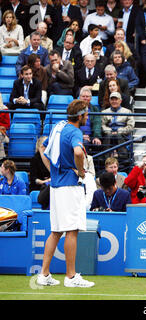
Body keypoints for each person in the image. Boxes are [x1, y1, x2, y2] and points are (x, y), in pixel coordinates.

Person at [37, 99, 95, 288]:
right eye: (86, 115)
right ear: (80, 116)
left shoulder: (58, 127)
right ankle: (70, 277)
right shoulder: (75, 131)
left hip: (56, 187)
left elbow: (43, 148)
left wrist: (53, 173)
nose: (87, 118)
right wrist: (80, 171)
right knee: (72, 231)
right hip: (70, 187)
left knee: (55, 231)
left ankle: (44, 275)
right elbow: (78, 152)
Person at [101, 91, 135, 158]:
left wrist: (118, 131)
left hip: (123, 135)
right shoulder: (104, 112)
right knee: (109, 136)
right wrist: (110, 131)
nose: (114, 101)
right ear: (109, 101)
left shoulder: (127, 112)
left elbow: (131, 126)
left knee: (118, 135)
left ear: (120, 101)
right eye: (112, 99)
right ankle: (106, 157)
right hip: (109, 134)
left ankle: (123, 157)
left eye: (116, 99)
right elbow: (102, 125)